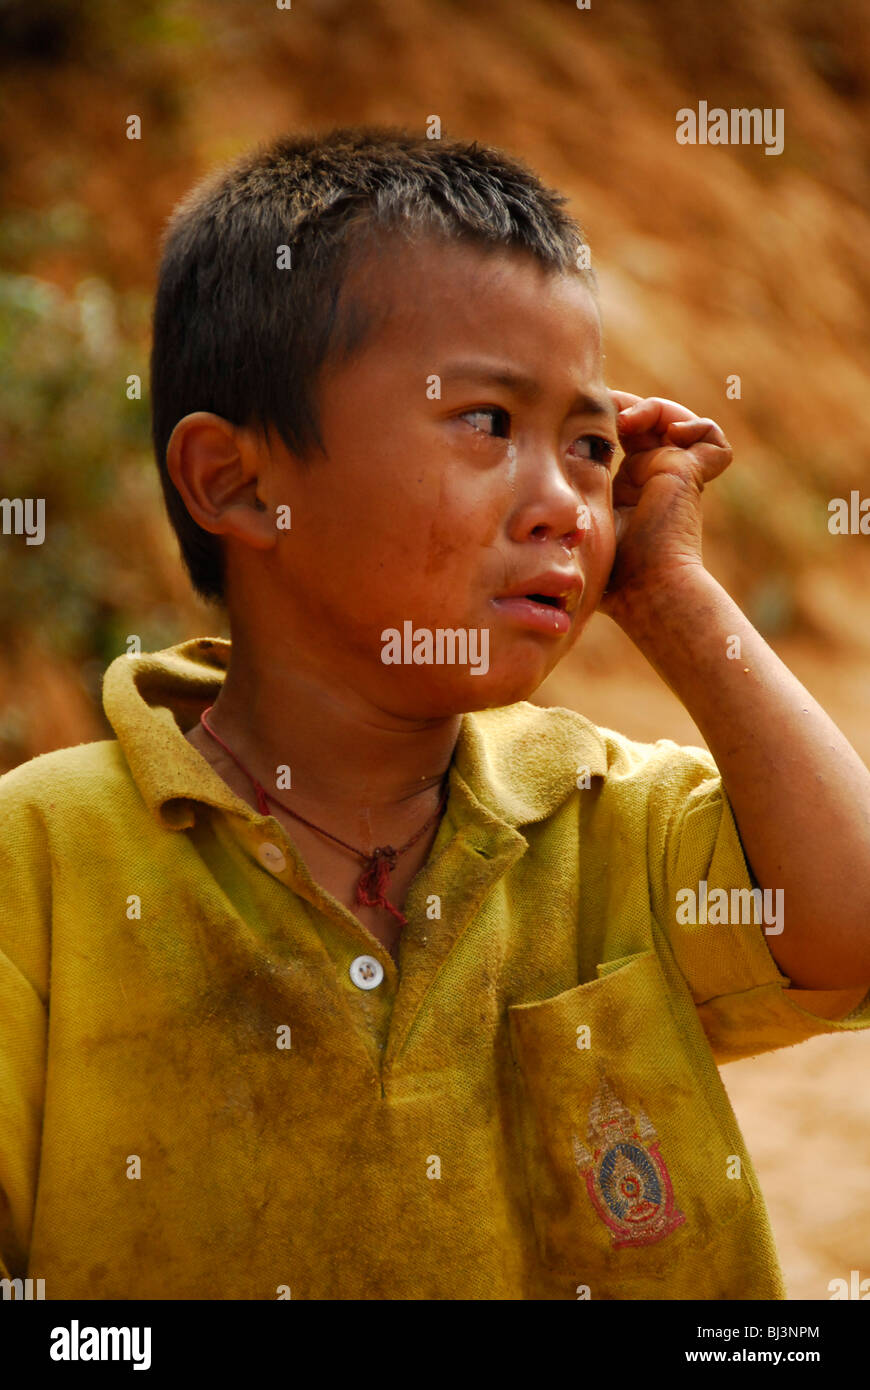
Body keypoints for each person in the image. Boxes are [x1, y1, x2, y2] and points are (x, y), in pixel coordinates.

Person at [1, 126, 868, 1300]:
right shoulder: (43, 862)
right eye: (488, 424)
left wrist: (670, 597)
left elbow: (847, 924)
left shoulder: (604, 816)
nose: (567, 503)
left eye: (592, 446)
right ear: (241, 483)